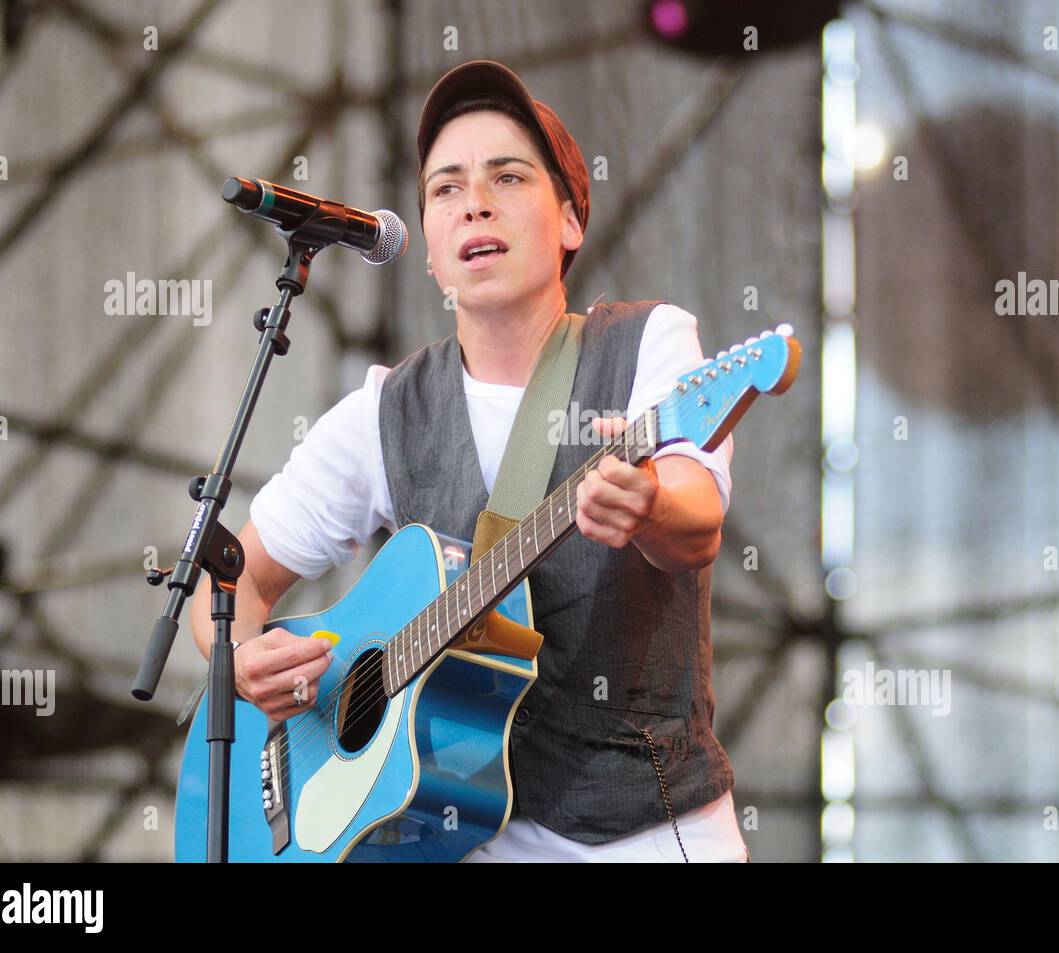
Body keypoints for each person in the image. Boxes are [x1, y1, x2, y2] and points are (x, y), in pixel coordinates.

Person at [191, 59, 747, 862]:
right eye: (445, 188)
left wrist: (652, 503)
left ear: (569, 220)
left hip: (645, 830)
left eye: (508, 176)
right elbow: (232, 579)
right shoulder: (386, 411)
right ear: (428, 252)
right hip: (448, 839)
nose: (474, 200)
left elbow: (697, 522)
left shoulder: (646, 347)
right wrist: (239, 657)